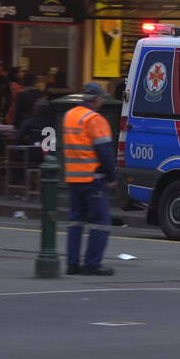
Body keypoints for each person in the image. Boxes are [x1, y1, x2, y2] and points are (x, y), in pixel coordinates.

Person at [63, 83, 116, 276]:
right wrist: (111, 176)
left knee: (76, 221)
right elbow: (105, 152)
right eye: (101, 98)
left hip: (73, 177)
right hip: (92, 178)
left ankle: (72, 263)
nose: (102, 101)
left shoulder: (69, 116)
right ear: (96, 99)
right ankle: (92, 264)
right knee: (100, 222)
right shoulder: (95, 119)